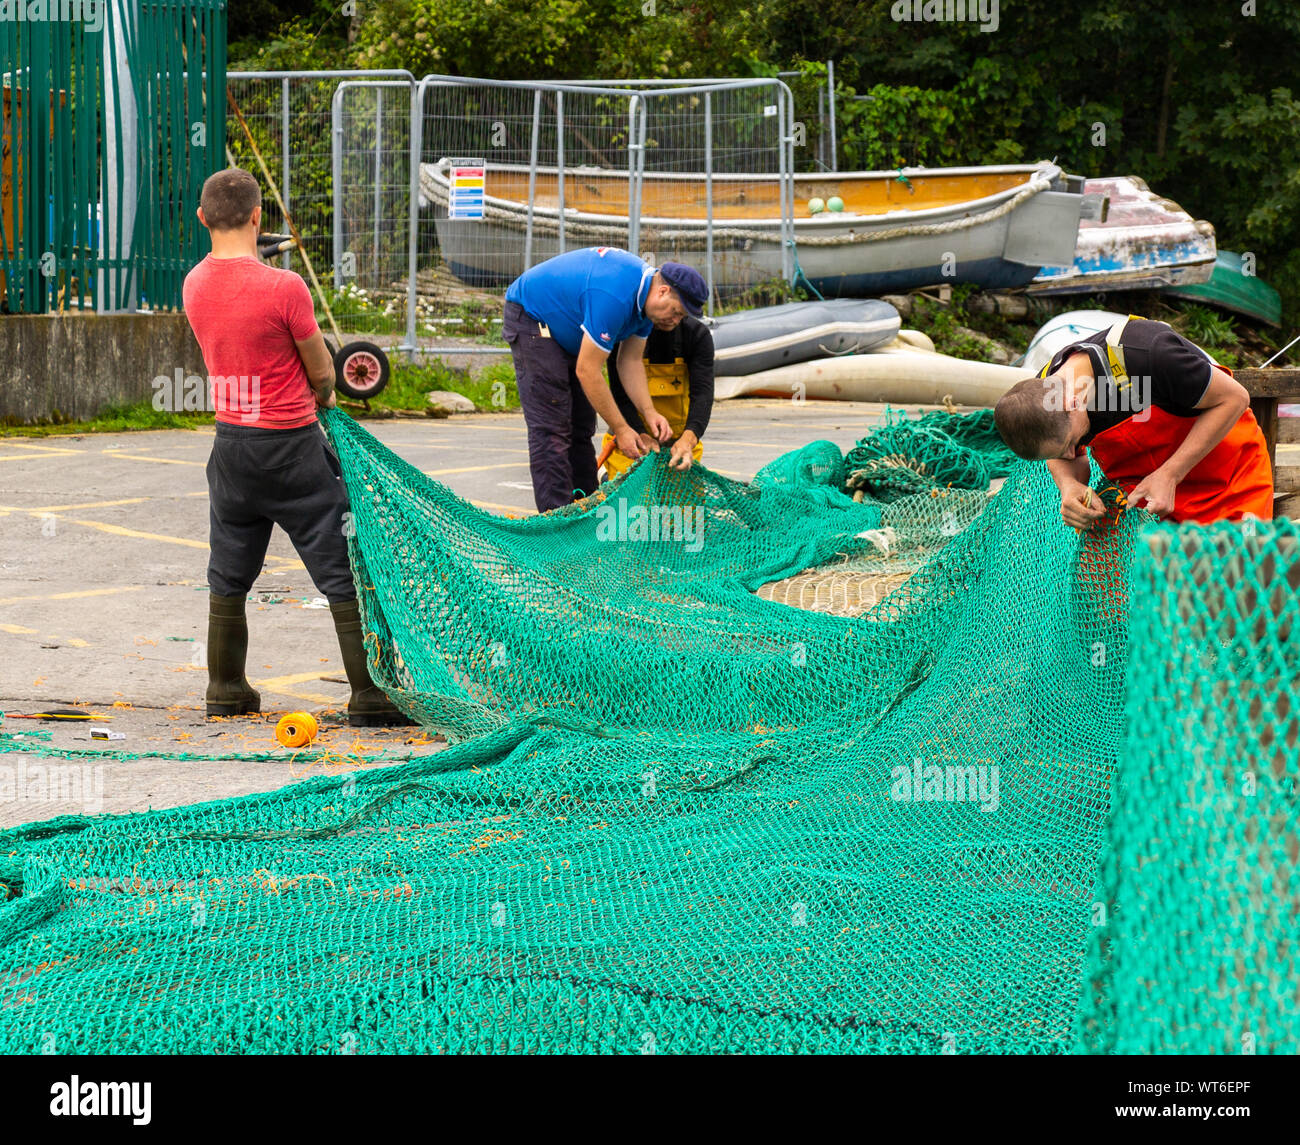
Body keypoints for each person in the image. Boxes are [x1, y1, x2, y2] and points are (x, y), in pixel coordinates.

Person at [183, 167, 413, 726]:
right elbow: (322, 370)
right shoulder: (284, 288)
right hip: (292, 450)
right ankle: (370, 696)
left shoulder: (193, 283)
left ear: (202, 218)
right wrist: (326, 397)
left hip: (231, 450)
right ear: (259, 217)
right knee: (342, 569)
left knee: (229, 572)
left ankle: (226, 687)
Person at [993, 315, 1273, 526]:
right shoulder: (1048, 388)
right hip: (1147, 500)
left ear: (1074, 402)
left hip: (1228, 478)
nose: (1071, 454)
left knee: (1236, 585)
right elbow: (1063, 455)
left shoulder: (1148, 354)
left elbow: (1235, 398)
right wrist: (1068, 485)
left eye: (1071, 444)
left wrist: (1170, 474)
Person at [503, 246, 710, 511]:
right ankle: (554, 524)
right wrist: (622, 429)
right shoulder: (614, 296)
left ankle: (584, 509)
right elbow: (587, 370)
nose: (677, 320)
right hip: (533, 317)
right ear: (663, 291)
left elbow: (630, 361)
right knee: (553, 427)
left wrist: (649, 413)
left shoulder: (645, 307)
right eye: (677, 312)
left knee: (582, 426)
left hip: (565, 325)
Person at [602, 316, 715, 477]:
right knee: (633, 501)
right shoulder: (624, 333)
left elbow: (703, 393)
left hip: (680, 445)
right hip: (633, 442)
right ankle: (606, 478)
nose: (672, 317)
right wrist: (640, 434)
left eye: (679, 310)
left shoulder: (696, 334)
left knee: (681, 500)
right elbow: (619, 395)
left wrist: (689, 438)